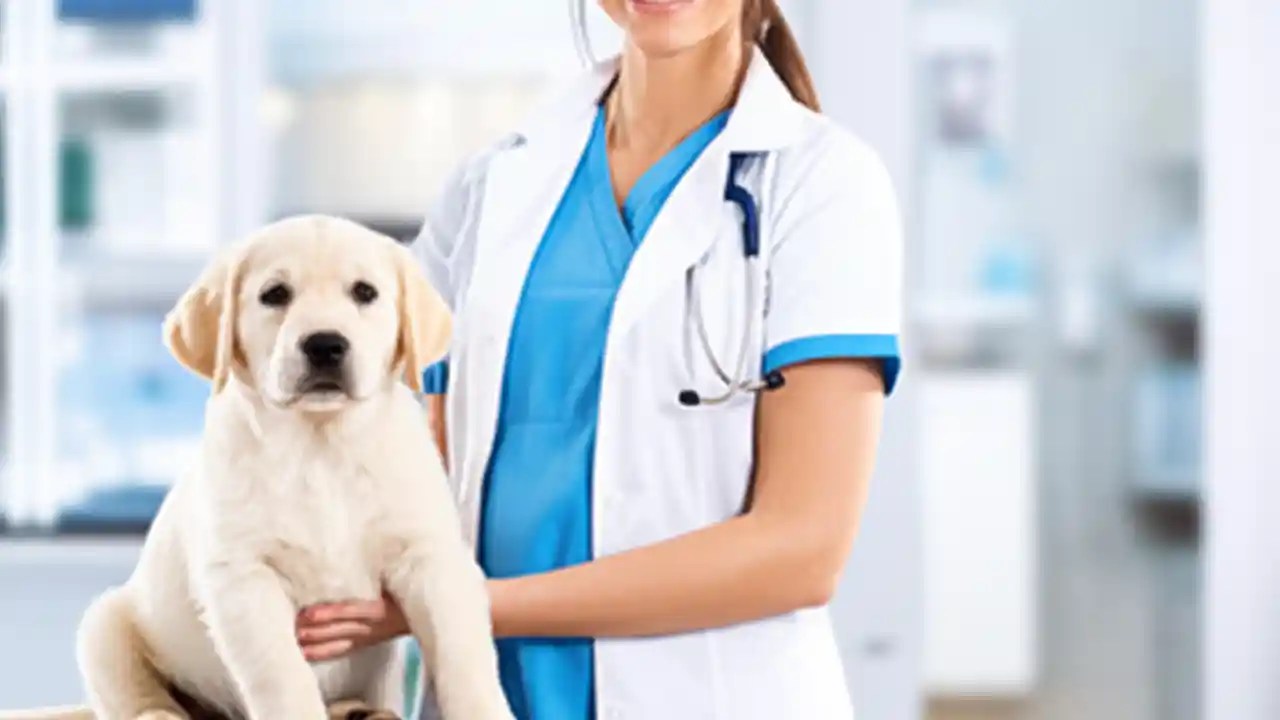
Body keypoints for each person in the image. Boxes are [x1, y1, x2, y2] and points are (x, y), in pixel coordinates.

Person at [295, 0, 903, 717]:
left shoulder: (822, 184)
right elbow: (409, 447)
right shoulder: (494, 181)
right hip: (493, 693)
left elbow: (802, 549)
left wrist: (462, 606)